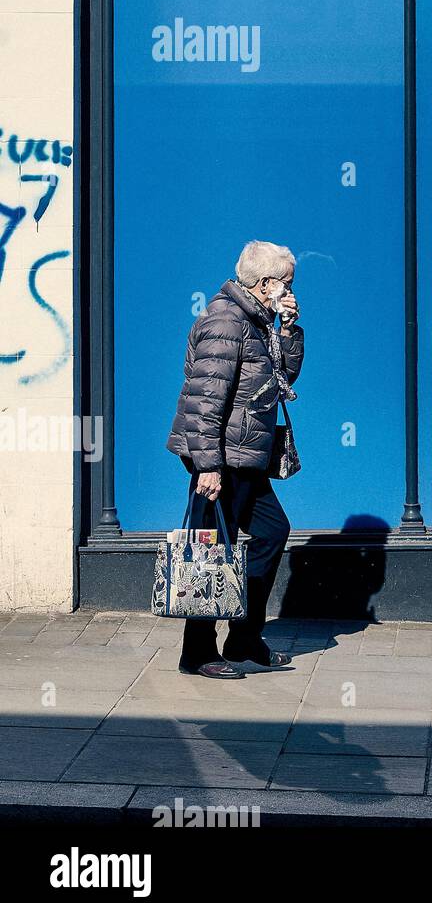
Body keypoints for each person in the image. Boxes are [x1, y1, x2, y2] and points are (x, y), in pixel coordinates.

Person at [166, 240, 304, 679]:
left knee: (272, 531)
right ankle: (198, 652)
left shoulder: (258, 321)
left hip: (246, 456)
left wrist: (289, 329)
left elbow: (284, 379)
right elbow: (205, 401)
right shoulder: (225, 321)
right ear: (265, 283)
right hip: (222, 459)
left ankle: (243, 637)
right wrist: (208, 465)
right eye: (286, 284)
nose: (291, 290)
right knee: (208, 555)